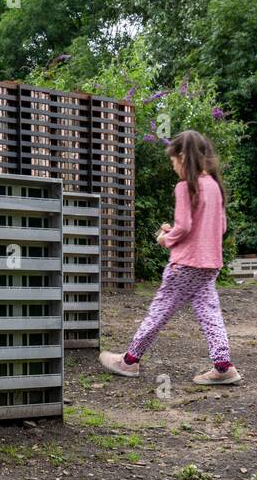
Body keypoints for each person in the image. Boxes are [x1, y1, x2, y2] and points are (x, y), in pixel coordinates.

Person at [98, 130, 240, 385]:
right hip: (209, 264)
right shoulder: (215, 187)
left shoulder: (186, 187)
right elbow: (220, 227)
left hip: (185, 265)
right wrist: (176, 231)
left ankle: (129, 361)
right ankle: (223, 366)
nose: (173, 167)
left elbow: (184, 227)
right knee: (210, 313)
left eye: (173, 161)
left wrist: (166, 238)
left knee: (159, 311)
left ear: (183, 157)